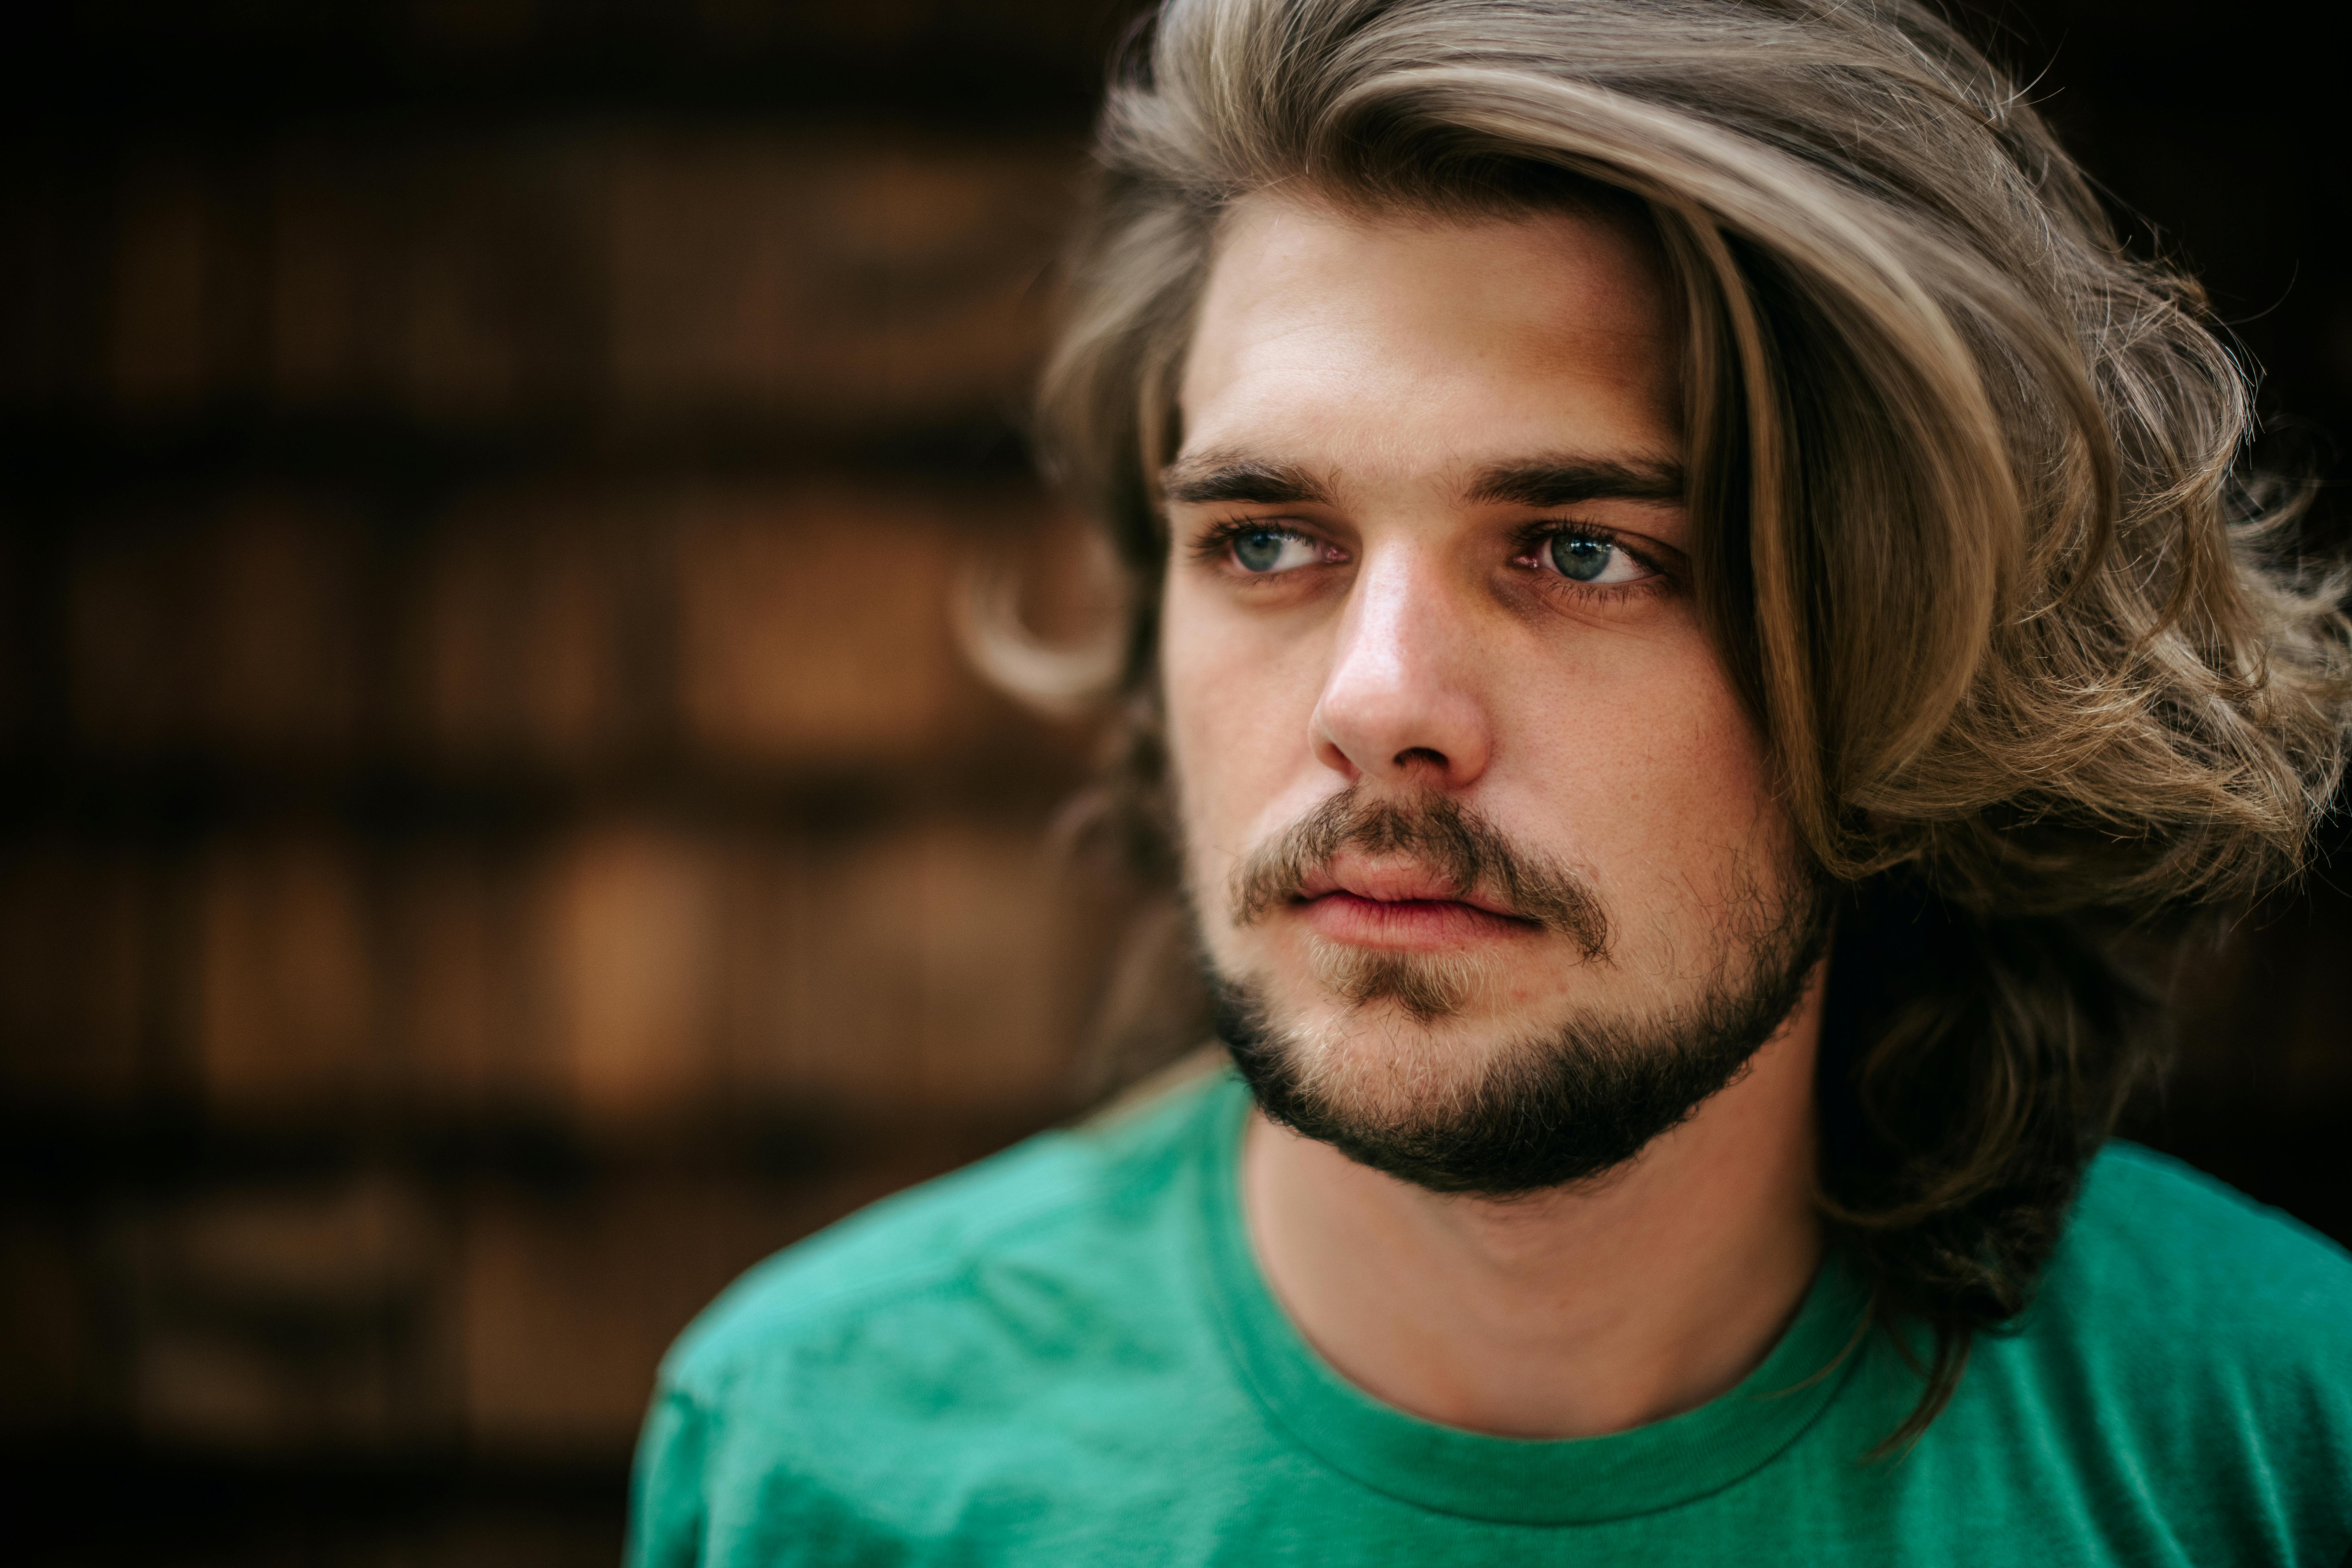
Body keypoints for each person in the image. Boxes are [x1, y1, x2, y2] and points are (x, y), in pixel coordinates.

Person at [628, 0, 2352, 1560]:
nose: (1378, 707)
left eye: (1583, 550)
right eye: (1270, 537)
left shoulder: (2272, 1444)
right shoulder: (823, 1455)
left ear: (1909, 648)